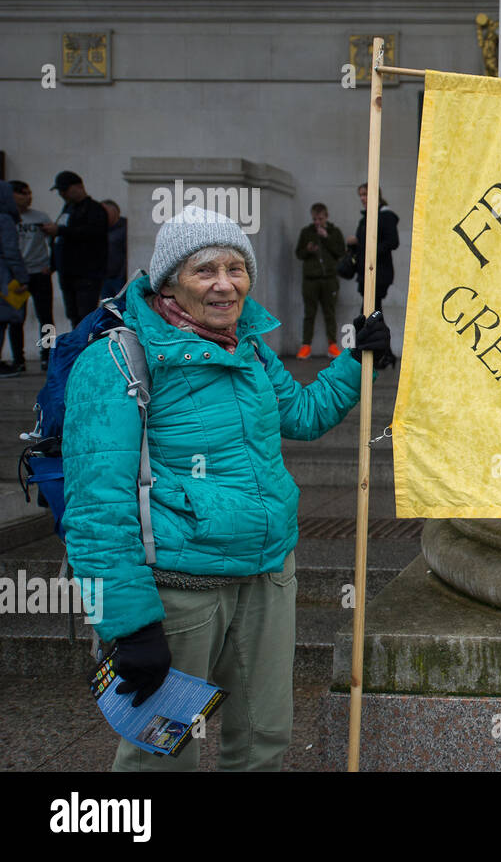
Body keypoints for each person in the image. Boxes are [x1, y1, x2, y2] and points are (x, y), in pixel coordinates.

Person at [60, 206, 392, 771]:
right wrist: (126, 622)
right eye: (204, 270)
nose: (224, 284)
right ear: (168, 282)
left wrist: (359, 360)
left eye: (236, 268)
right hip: (179, 592)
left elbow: (305, 415)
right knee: (161, 757)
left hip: (266, 576)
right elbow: (95, 510)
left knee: (264, 742)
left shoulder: (252, 348)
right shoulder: (116, 358)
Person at [43, 170, 108, 327]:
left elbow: (92, 233)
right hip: (67, 273)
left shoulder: (94, 209)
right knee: (73, 316)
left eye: (65, 190)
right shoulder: (67, 209)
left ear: (78, 186)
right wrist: (52, 265)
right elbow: (59, 241)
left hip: (86, 274)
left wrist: (60, 231)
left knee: (85, 316)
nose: (62, 194)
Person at [9, 181, 56, 371]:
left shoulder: (40, 217)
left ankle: (48, 355)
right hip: (17, 276)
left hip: (39, 273)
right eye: (23, 193)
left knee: (45, 317)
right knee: (15, 319)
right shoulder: (6, 219)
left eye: (29, 193)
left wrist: (51, 265)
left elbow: (55, 243)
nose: (28, 196)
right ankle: (18, 359)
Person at [295, 202, 346, 359]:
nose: (317, 222)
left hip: (329, 279)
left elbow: (341, 252)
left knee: (329, 312)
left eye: (320, 218)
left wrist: (327, 238)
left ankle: (332, 345)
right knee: (309, 313)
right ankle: (306, 346)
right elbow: (298, 253)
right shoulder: (306, 232)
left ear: (326, 216)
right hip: (311, 279)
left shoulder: (334, 232)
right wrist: (308, 250)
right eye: (315, 219)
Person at [348, 183, 400, 312]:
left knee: (370, 312)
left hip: (379, 272)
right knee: (372, 313)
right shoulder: (365, 218)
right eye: (360, 195)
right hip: (365, 272)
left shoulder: (385, 216)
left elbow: (393, 242)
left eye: (365, 194)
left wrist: (371, 250)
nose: (362, 198)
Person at [0, 182, 30, 377]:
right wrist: (22, 277)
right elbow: (10, 252)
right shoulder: (4, 219)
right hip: (4, 278)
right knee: (3, 320)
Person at [101, 200, 129, 299]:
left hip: (120, 279)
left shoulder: (126, 228)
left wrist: (123, 275)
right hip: (104, 278)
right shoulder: (101, 229)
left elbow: (128, 254)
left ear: (114, 211)